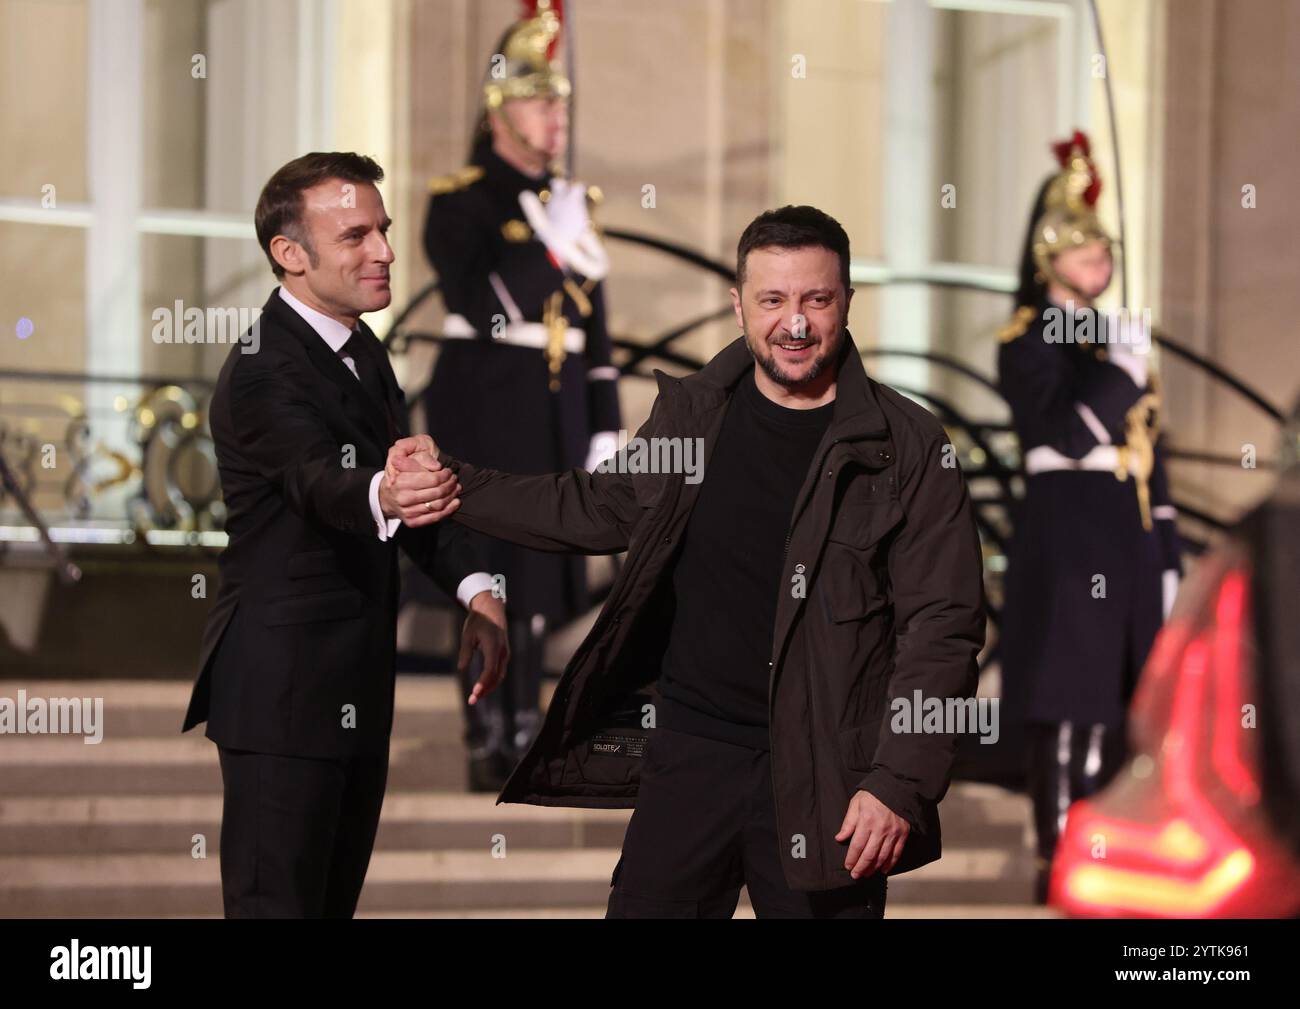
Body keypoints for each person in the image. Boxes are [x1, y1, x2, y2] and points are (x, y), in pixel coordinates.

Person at [389, 205, 986, 918]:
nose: (794, 323)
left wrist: (900, 783)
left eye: (816, 299)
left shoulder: (909, 446)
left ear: (847, 301)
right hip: (689, 759)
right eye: (772, 300)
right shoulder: (695, 418)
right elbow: (593, 505)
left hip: (829, 775)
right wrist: (453, 482)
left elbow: (943, 629)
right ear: (738, 305)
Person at [182, 152, 509, 917]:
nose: (386, 252)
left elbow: (408, 487)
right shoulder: (263, 366)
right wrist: (386, 488)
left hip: (355, 689)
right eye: (356, 235)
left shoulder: (362, 349)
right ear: (289, 255)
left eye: (384, 231)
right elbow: (320, 479)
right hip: (281, 694)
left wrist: (478, 589)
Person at [419, 0, 621, 791]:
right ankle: (483, 729)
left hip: (555, 406)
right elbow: (481, 304)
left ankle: (527, 723)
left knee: (542, 579)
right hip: (485, 401)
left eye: (561, 99)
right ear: (503, 106)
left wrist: (604, 423)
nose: (557, 114)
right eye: (542, 100)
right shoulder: (462, 198)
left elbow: (596, 332)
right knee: (486, 571)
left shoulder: (570, 201)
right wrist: (554, 253)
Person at [996, 131, 1182, 903]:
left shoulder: (1108, 339)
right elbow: (1065, 432)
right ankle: (1062, 852)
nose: (1098, 262)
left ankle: (1107, 853)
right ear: (1048, 259)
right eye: (1083, 251)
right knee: (1070, 698)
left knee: (1118, 700)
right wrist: (1121, 373)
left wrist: (1165, 541)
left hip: (1126, 531)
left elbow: (1146, 450)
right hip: (1071, 534)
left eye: (1103, 251)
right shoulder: (1030, 336)